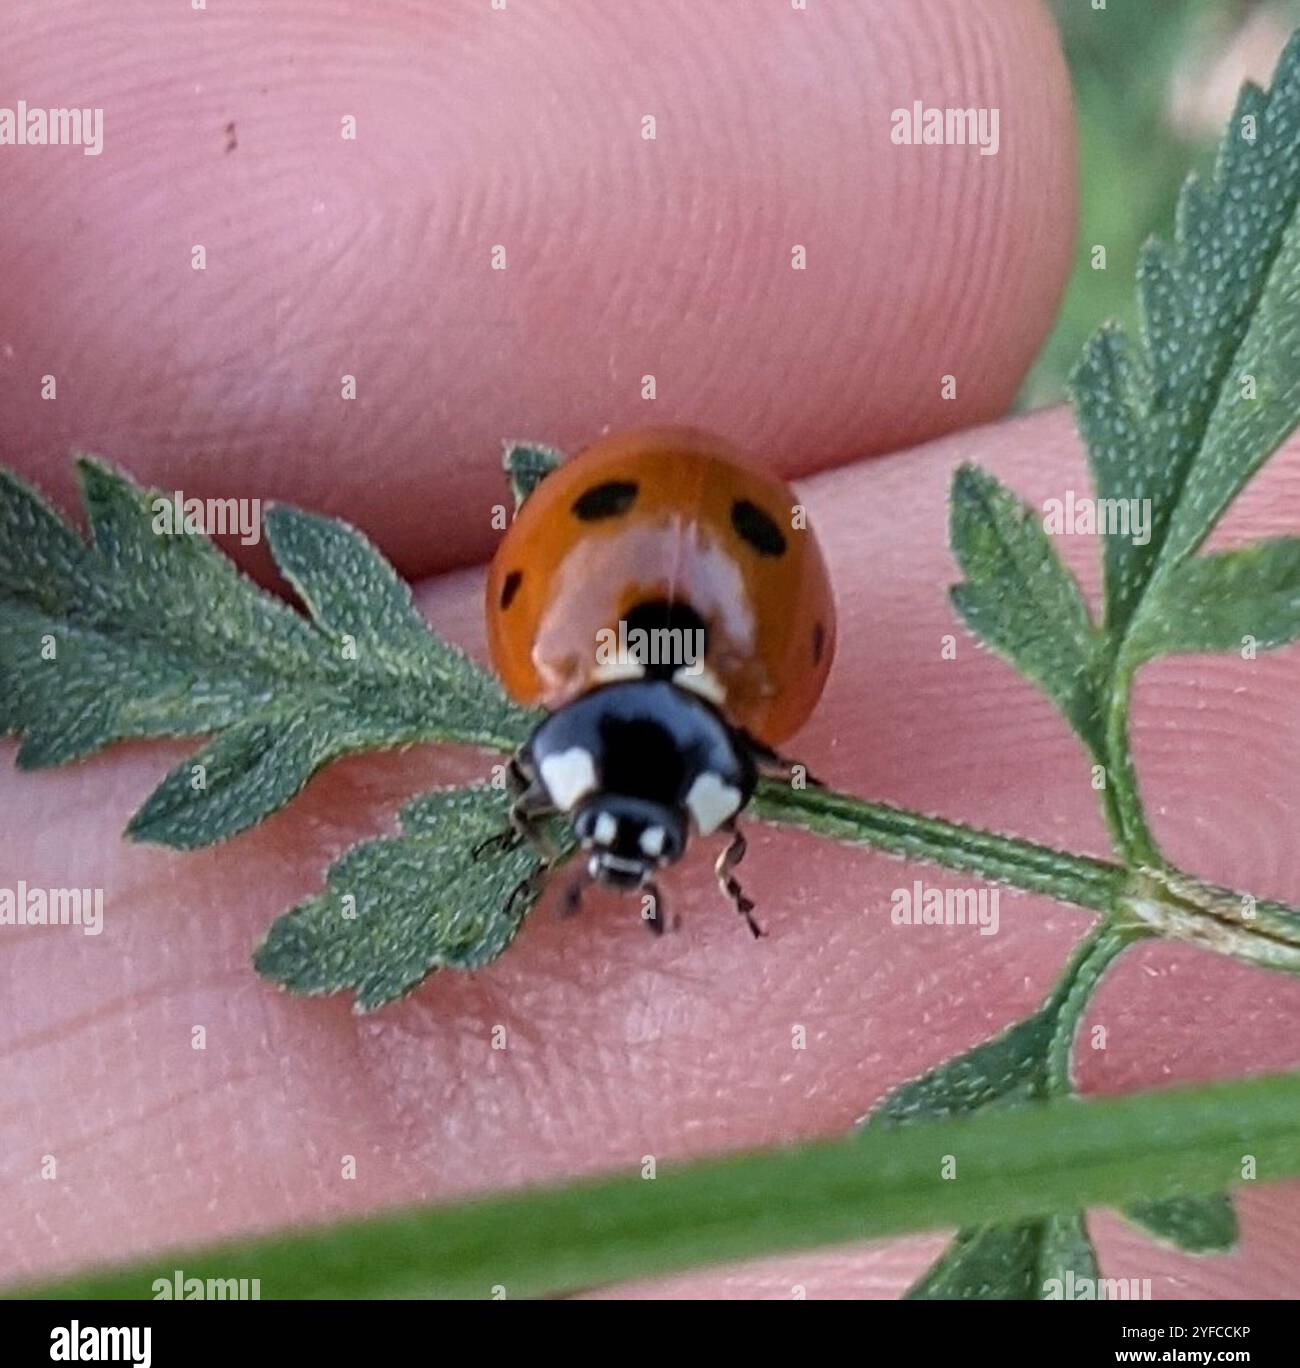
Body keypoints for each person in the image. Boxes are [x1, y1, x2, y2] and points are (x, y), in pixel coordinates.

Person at [4, 0, 1298, 1299]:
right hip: (679, 541)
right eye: (653, 837)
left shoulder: (660, 690)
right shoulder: (668, 688)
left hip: (670, 539)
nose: (623, 854)